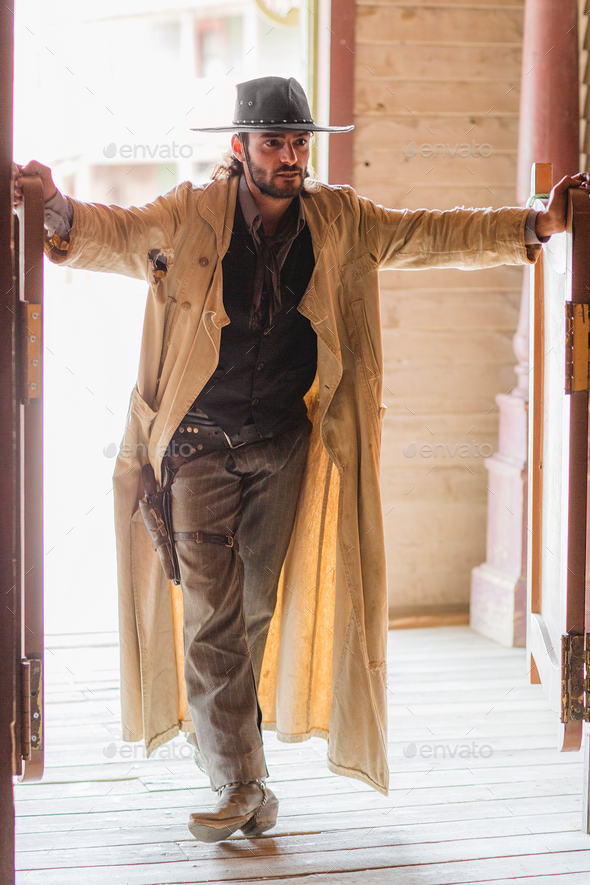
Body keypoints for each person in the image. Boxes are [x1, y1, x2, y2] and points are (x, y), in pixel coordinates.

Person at [14, 75, 589, 843]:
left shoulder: (339, 220)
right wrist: (52, 208)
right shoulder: (190, 215)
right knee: (212, 620)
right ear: (239, 149)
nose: (290, 156)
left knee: (250, 611)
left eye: (298, 142)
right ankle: (239, 781)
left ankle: (234, 768)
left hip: (283, 446)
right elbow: (115, 231)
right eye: (275, 142)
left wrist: (534, 224)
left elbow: (427, 233)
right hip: (195, 450)